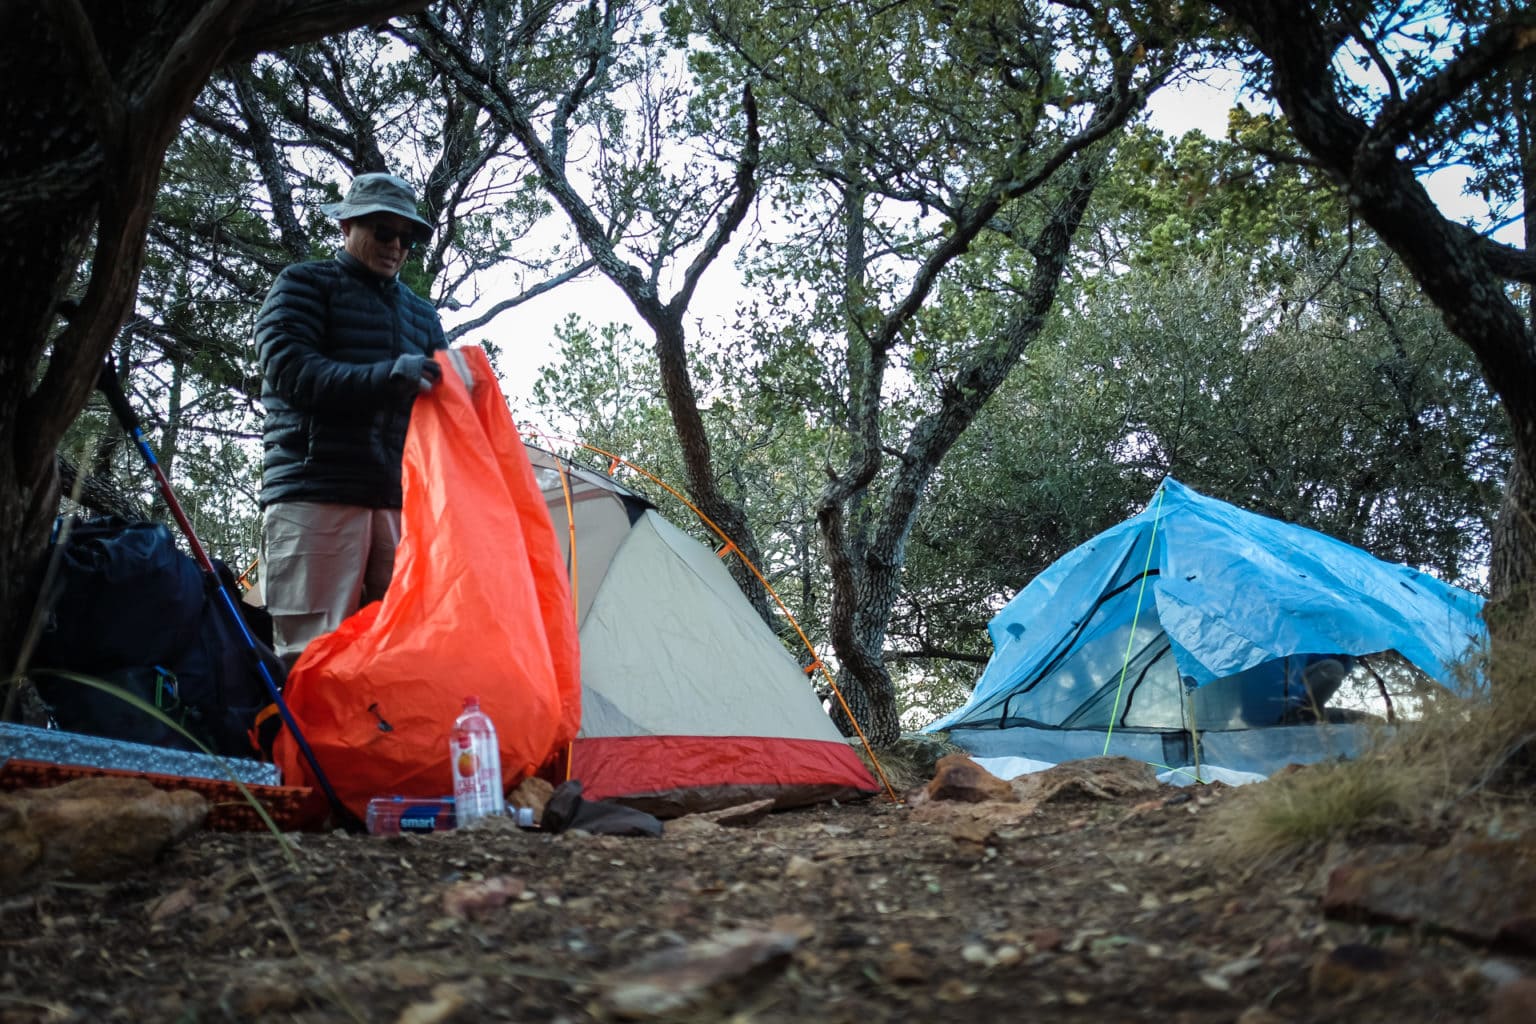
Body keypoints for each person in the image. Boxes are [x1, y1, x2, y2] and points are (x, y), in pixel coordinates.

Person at [255, 172, 447, 663]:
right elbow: (292, 373)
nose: (397, 247)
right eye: (384, 232)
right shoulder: (302, 284)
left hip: (395, 506)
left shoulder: (422, 316)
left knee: (398, 655)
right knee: (312, 654)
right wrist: (387, 377)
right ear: (345, 225)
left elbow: (443, 408)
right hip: (314, 495)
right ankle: (299, 743)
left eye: (407, 238)